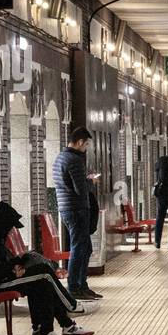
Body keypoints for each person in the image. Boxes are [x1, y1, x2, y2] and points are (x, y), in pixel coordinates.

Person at [0, 201, 93, 335]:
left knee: (42, 278)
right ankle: (70, 308)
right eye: (9, 227)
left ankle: (53, 329)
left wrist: (17, 264)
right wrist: (15, 264)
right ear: (1, 224)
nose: (10, 231)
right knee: (44, 275)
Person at [53, 127, 101, 301]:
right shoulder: (74, 160)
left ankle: (82, 285)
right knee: (79, 248)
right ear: (80, 142)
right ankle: (74, 287)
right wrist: (91, 182)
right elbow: (80, 189)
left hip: (68, 208)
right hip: (77, 209)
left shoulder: (60, 158)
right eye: (86, 144)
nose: (86, 148)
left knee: (84, 248)